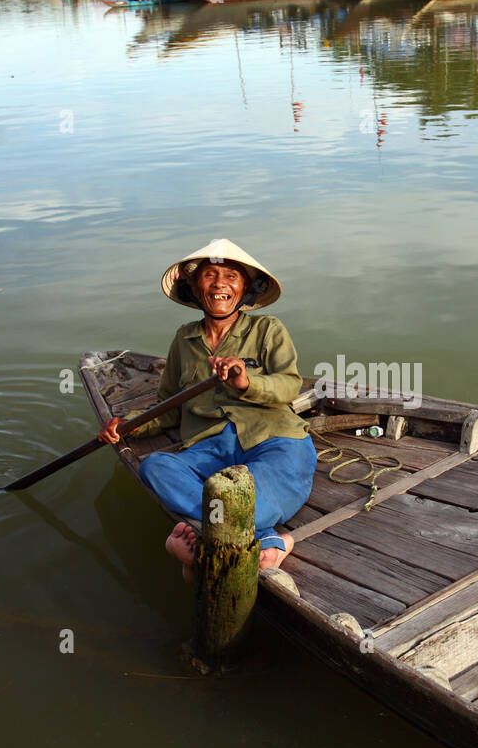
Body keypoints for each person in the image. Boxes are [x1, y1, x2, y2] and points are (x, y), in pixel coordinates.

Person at [97, 240, 316, 583]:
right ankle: (269, 539)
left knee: (261, 494)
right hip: (208, 449)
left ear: (245, 288)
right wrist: (128, 428)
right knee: (155, 467)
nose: (219, 284)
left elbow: (289, 386)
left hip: (274, 440)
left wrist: (246, 381)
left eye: (231, 276)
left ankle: (204, 540)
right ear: (195, 288)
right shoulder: (184, 340)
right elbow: (168, 407)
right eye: (210, 275)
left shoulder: (267, 330)